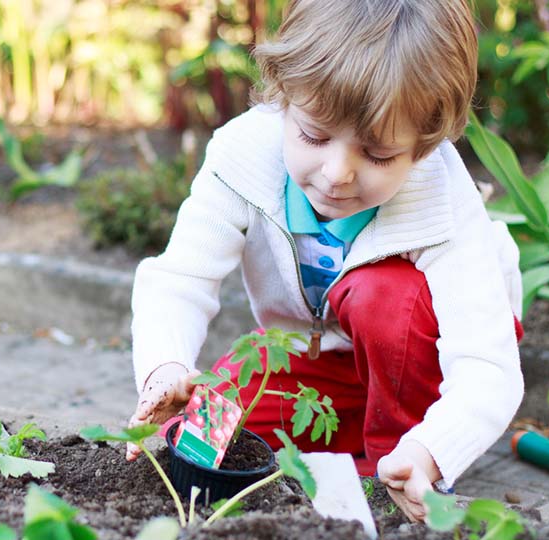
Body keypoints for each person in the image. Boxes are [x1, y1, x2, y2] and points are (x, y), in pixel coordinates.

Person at [123, 0, 525, 521]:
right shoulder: (243, 157)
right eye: (314, 135)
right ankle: (350, 442)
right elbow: (180, 278)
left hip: (420, 368)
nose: (338, 173)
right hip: (318, 361)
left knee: (385, 296)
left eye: (378, 155)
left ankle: (392, 469)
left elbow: (486, 367)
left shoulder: (442, 203)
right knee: (199, 439)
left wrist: (432, 449)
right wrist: (167, 365)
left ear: (424, 146)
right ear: (284, 98)